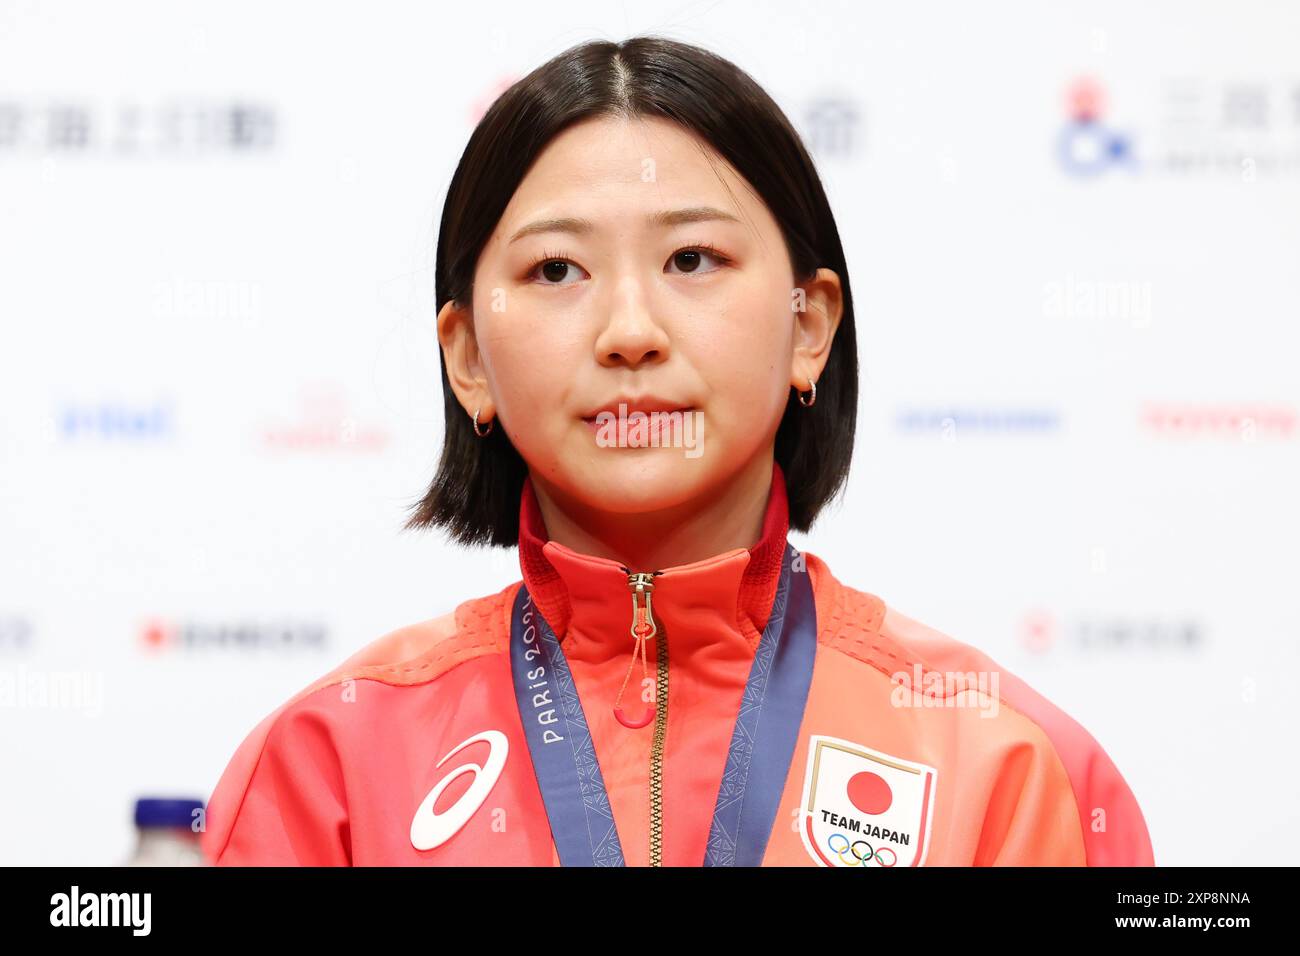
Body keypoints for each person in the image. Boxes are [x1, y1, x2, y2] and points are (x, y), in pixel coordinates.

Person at [200, 35, 1153, 867]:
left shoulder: (1006, 767)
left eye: (692, 260)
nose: (629, 330)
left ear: (809, 325)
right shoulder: (328, 767)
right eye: (557, 270)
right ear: (468, 359)